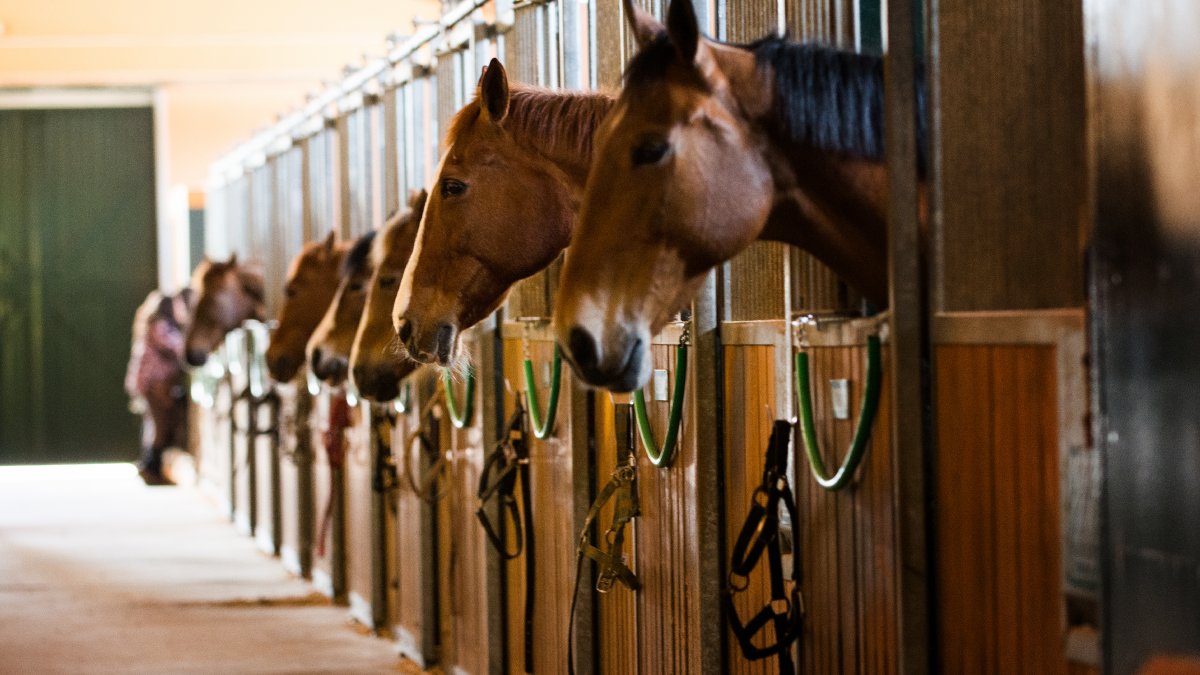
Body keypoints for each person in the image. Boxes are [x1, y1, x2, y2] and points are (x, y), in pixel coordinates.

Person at [126, 289, 192, 485]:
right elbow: (178, 348)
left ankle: (150, 466)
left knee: (153, 425)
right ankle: (151, 468)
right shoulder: (160, 326)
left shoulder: (152, 325)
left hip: (150, 383)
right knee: (159, 427)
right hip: (154, 384)